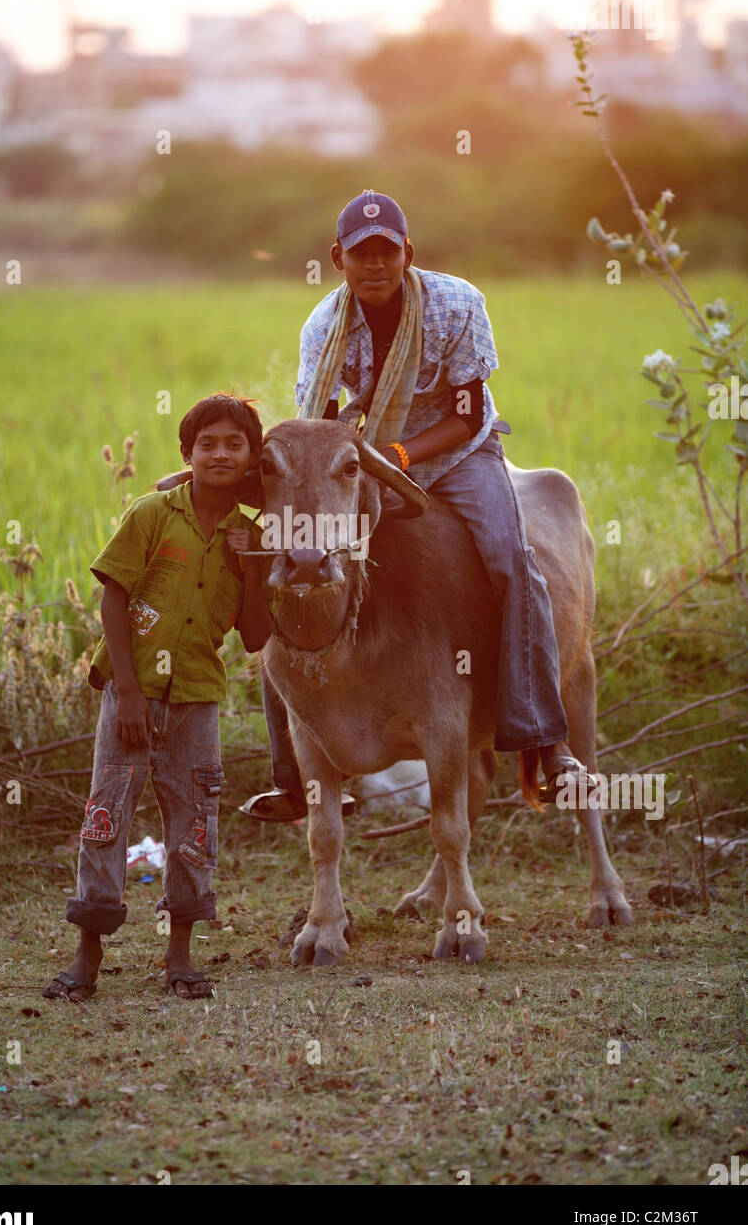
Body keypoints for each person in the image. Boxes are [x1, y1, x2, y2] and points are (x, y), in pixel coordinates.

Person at [240, 189, 592, 823]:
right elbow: (319, 427)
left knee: (512, 560)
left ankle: (546, 735)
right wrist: (318, 493)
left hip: (458, 457)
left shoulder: (458, 302)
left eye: (387, 253)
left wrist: (399, 457)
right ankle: (294, 776)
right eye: (360, 254)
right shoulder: (324, 325)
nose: (374, 265)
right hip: (361, 463)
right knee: (288, 562)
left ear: (408, 253)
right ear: (337, 258)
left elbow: (468, 414)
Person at [44, 394, 271, 1002]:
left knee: (195, 820)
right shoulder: (150, 513)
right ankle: (85, 960)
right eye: (207, 444)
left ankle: (180, 958)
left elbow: (254, 637)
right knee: (107, 815)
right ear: (186, 453)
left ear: (250, 458)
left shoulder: (250, 536)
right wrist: (127, 692)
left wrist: (253, 572)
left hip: (197, 698)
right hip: (131, 692)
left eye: (234, 444)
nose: (219, 453)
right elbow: (112, 598)